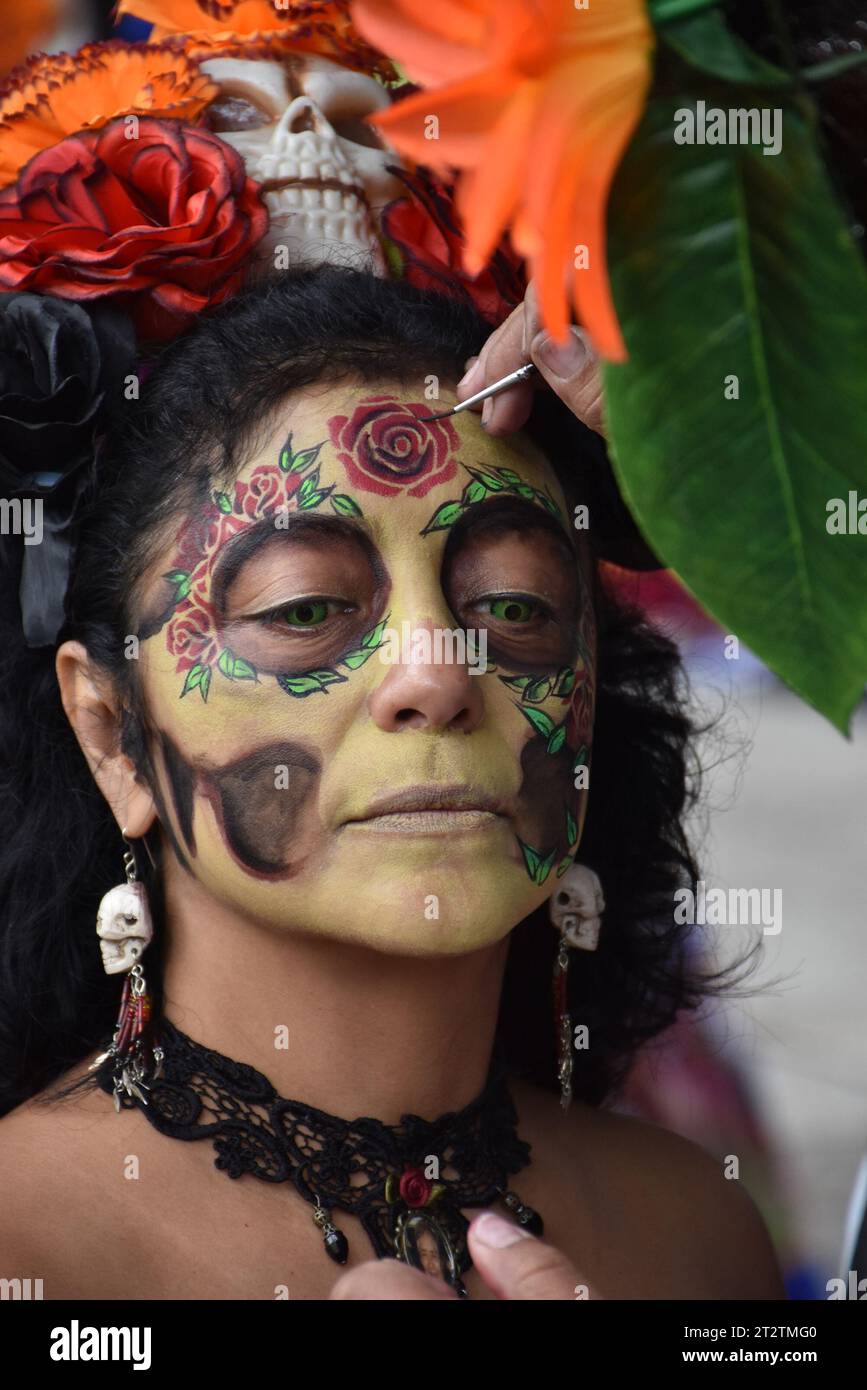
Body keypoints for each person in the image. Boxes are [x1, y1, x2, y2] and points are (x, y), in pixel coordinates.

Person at [0, 264, 784, 1300]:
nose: (438, 673)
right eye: (305, 608)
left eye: (515, 604)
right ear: (110, 730)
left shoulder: (699, 1235)